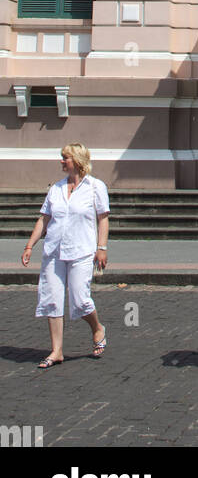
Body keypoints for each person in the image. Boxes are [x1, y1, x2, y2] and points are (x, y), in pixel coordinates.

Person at [21, 143, 110, 367]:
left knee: (80, 299)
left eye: (65, 157)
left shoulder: (95, 187)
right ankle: (56, 350)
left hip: (82, 250)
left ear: (77, 160)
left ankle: (97, 328)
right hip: (54, 251)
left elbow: (103, 218)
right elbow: (44, 219)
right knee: (52, 298)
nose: (61, 161)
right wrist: (30, 245)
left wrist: (102, 247)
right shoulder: (56, 189)